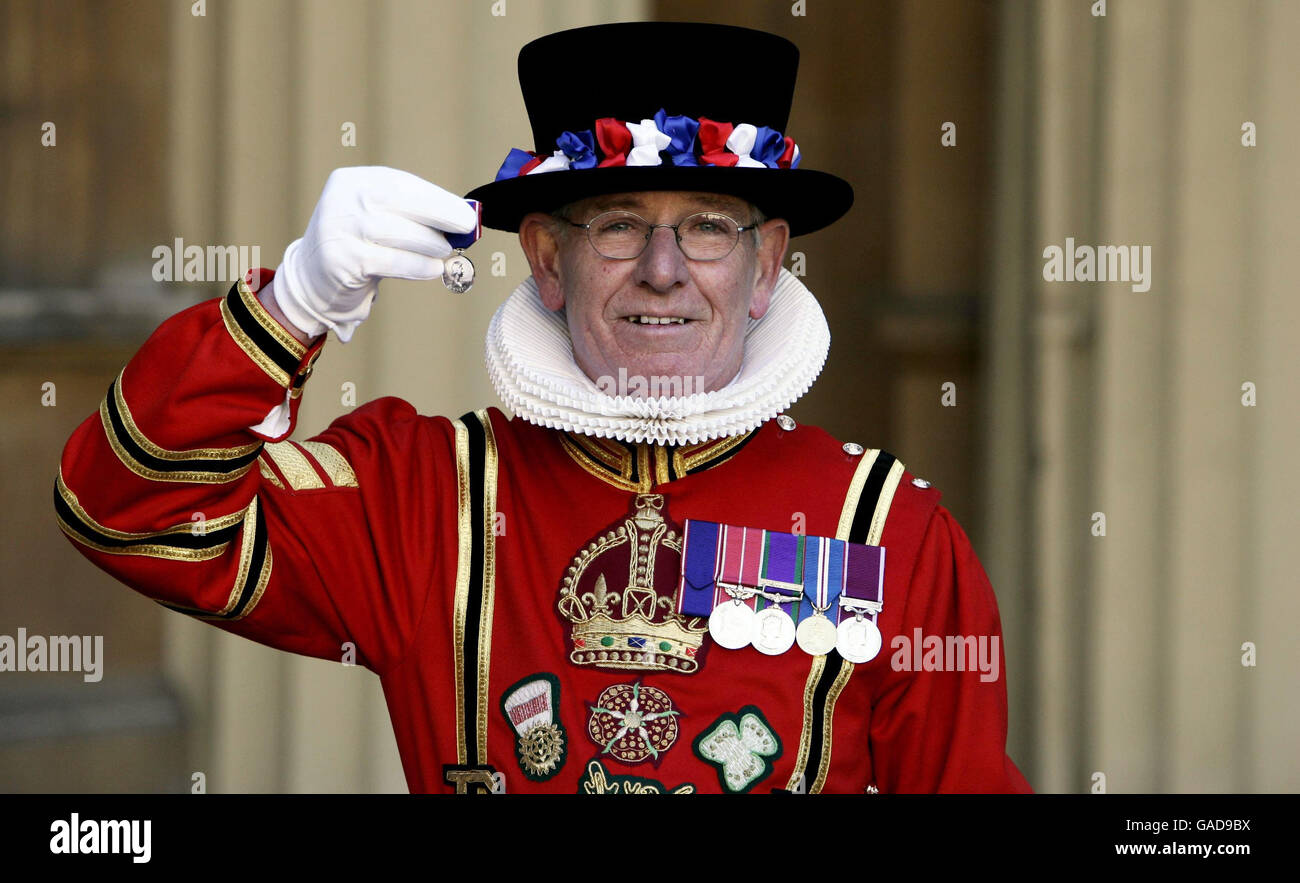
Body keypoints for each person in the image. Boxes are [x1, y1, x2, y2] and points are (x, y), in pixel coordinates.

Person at [55, 21, 1031, 794]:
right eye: (617, 227)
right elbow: (128, 511)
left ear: (766, 263)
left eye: (704, 228)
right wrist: (290, 306)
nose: (661, 274)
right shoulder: (422, 495)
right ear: (547, 261)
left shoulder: (892, 528)